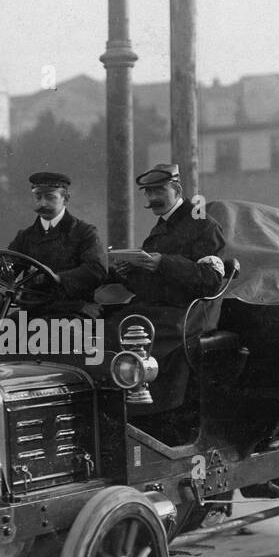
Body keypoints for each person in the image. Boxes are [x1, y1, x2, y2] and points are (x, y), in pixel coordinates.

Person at [106, 162, 228, 413]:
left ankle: (155, 410)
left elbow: (211, 280)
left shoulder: (202, 224)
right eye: (148, 193)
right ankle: (120, 406)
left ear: (177, 189)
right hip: (160, 309)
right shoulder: (161, 228)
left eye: (159, 191)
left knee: (135, 334)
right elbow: (152, 285)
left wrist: (164, 262)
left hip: (189, 313)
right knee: (108, 330)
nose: (152, 198)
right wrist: (126, 273)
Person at [6, 171, 107, 318]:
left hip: (73, 309)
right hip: (32, 309)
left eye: (50, 197)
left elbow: (97, 270)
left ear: (65, 199)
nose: (42, 203)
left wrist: (58, 278)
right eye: (38, 197)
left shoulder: (84, 232)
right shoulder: (25, 236)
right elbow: (10, 268)